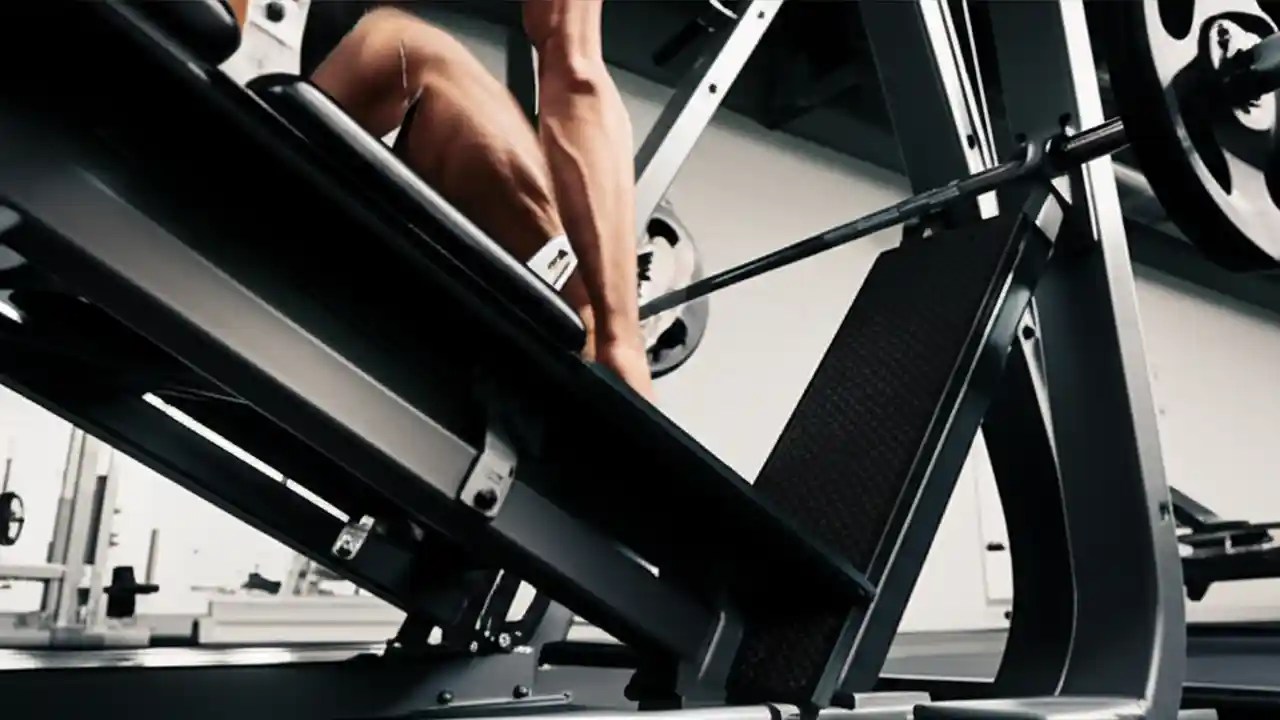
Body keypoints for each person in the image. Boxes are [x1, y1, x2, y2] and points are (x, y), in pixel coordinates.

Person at [231, 0, 655, 399]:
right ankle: (590, 342)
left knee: (419, 63)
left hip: (292, 97)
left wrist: (619, 337)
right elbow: (574, 68)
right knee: (415, 51)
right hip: (217, 64)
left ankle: (582, 339)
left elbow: (575, 69)